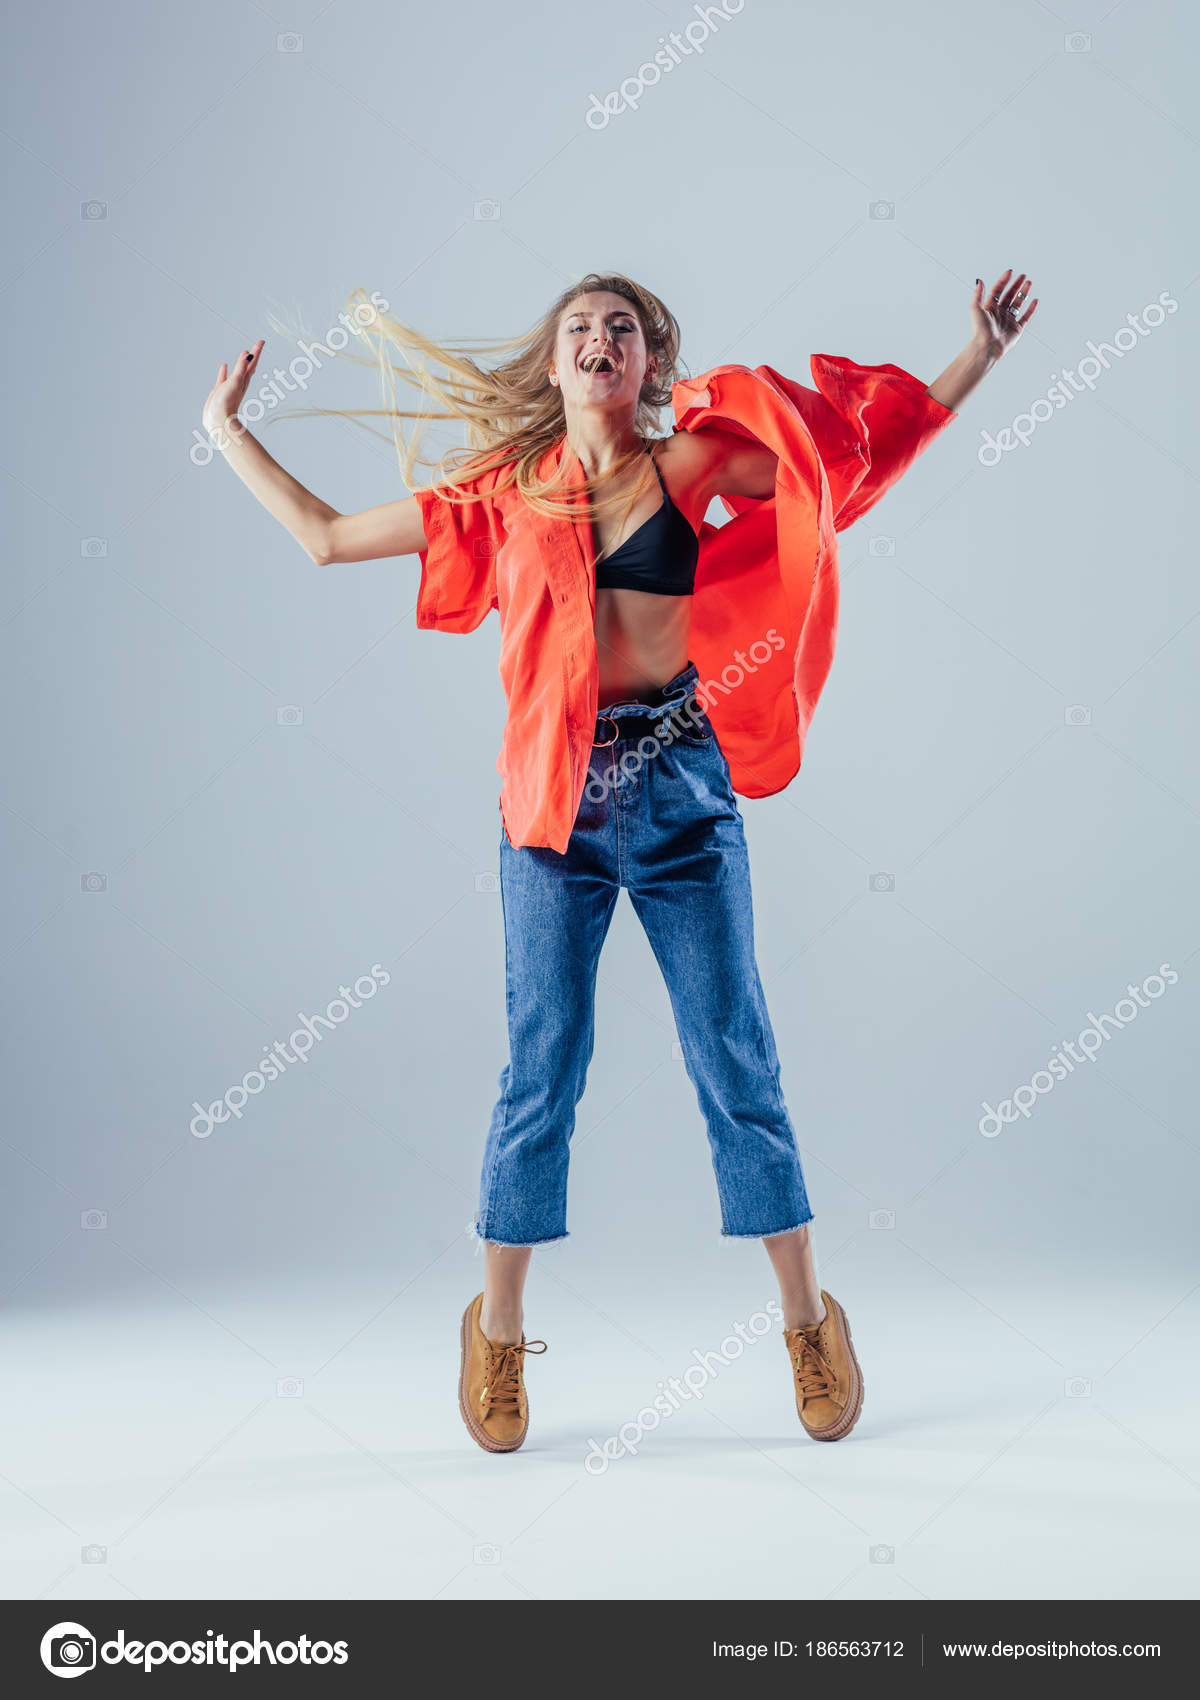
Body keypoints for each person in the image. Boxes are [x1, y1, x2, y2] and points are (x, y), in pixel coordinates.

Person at [201, 267, 1038, 1453]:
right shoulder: (506, 497)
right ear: (555, 363)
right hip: (554, 814)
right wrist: (224, 433)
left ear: (648, 362)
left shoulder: (687, 470)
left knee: (734, 1059)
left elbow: (833, 473)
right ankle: (497, 1334)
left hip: (685, 793)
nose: (602, 340)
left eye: (624, 329)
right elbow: (330, 539)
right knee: (541, 1068)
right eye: (582, 328)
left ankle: (809, 1320)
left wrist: (972, 364)